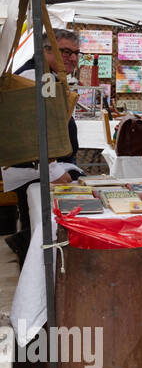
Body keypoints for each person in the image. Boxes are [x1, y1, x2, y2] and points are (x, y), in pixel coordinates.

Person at [3, 28, 81, 263]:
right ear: (45, 50)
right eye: (65, 52)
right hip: (35, 172)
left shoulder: (47, 75)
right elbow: (30, 133)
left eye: (76, 53)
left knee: (39, 230)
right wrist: (54, 170)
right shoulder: (32, 76)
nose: (73, 58)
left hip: (41, 172)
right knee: (38, 235)